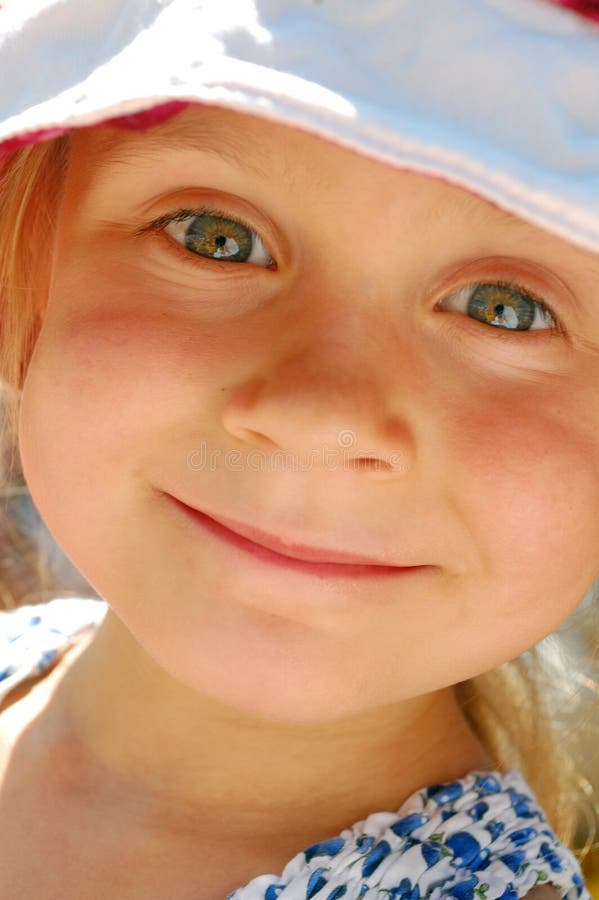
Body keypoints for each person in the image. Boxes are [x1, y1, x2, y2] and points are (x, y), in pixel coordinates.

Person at [0, 1, 597, 897]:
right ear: (28, 264)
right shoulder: (20, 653)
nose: (322, 416)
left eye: (503, 309)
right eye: (217, 238)